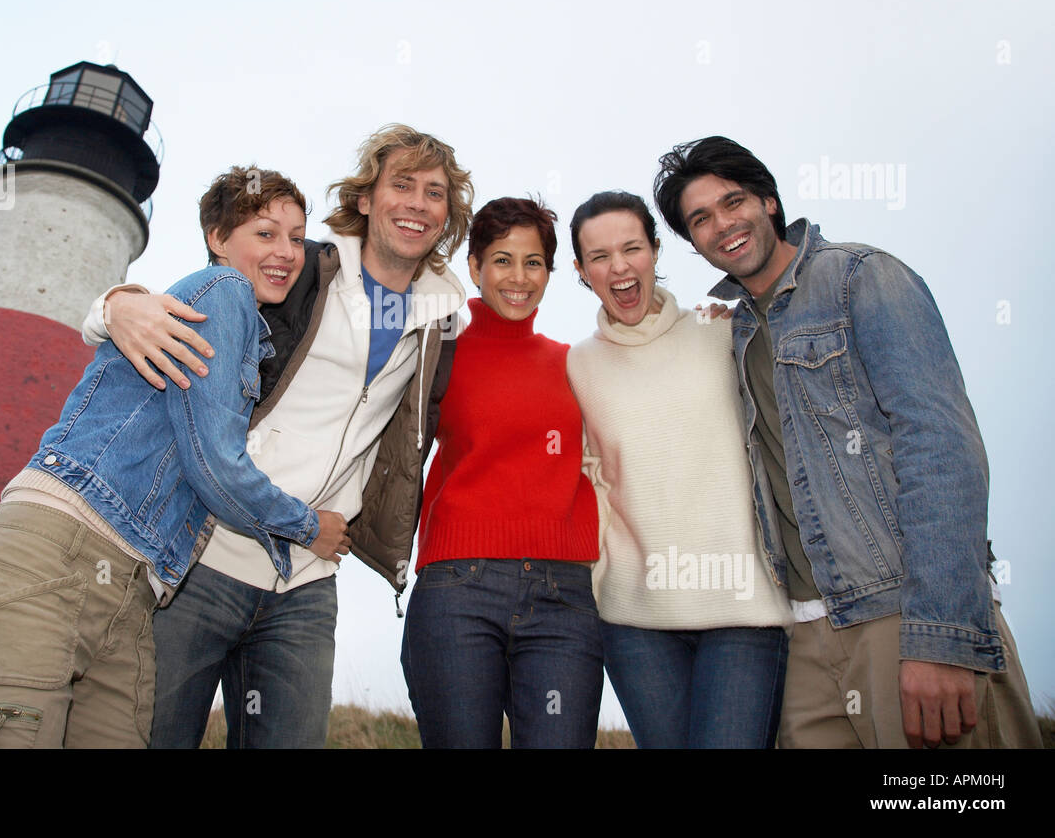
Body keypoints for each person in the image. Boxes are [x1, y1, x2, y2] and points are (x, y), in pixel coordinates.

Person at [0, 166, 351, 748]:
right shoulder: (222, 293)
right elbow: (216, 466)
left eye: (297, 238)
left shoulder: (241, 327)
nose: (286, 253)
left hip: (134, 588)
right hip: (56, 555)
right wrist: (308, 528)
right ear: (217, 238)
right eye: (265, 233)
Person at [85, 124, 474, 747]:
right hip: (202, 554)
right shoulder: (303, 267)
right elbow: (178, 304)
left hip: (308, 577)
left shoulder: (443, 320)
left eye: (435, 193)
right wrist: (113, 304)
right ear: (366, 198)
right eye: (402, 185)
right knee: (146, 738)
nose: (418, 204)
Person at [652, 135, 1042, 748]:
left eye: (733, 202)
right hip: (803, 637)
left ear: (770, 202)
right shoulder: (730, 332)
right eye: (700, 219)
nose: (722, 225)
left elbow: (943, 450)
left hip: (900, 613)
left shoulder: (861, 278)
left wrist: (940, 634)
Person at [565, 191, 793, 748]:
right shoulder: (577, 364)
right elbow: (585, 478)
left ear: (655, 252)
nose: (618, 267)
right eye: (599, 256)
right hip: (635, 620)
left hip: (743, 609)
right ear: (580, 270)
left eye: (631, 248)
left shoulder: (722, 332)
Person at [401, 197, 603, 749]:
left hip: (565, 595)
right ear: (474, 267)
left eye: (534, 262)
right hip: (456, 588)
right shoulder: (435, 356)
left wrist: (711, 327)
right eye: (502, 260)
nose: (519, 277)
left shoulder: (578, 363)